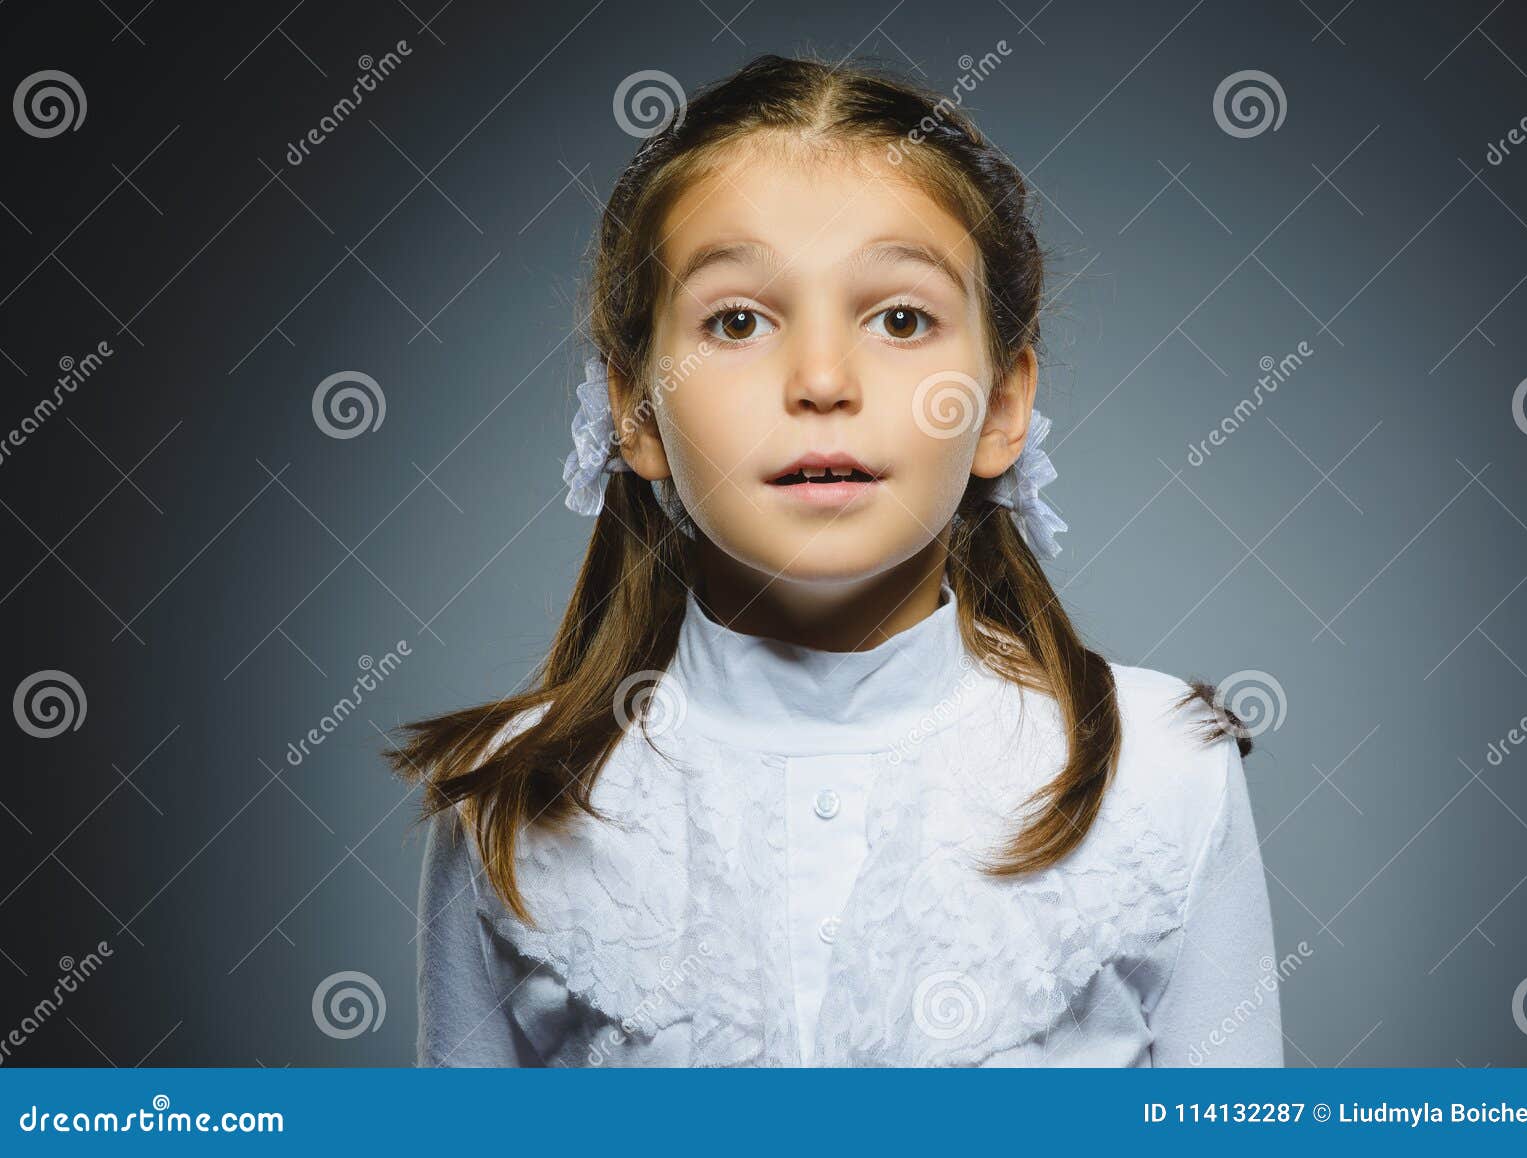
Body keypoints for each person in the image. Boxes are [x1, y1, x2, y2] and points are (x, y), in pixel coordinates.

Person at [391, 52, 1282, 1067]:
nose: (820, 379)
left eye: (901, 319)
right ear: (633, 409)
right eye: (737, 321)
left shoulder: (1166, 769)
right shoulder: (507, 801)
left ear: (1000, 405)